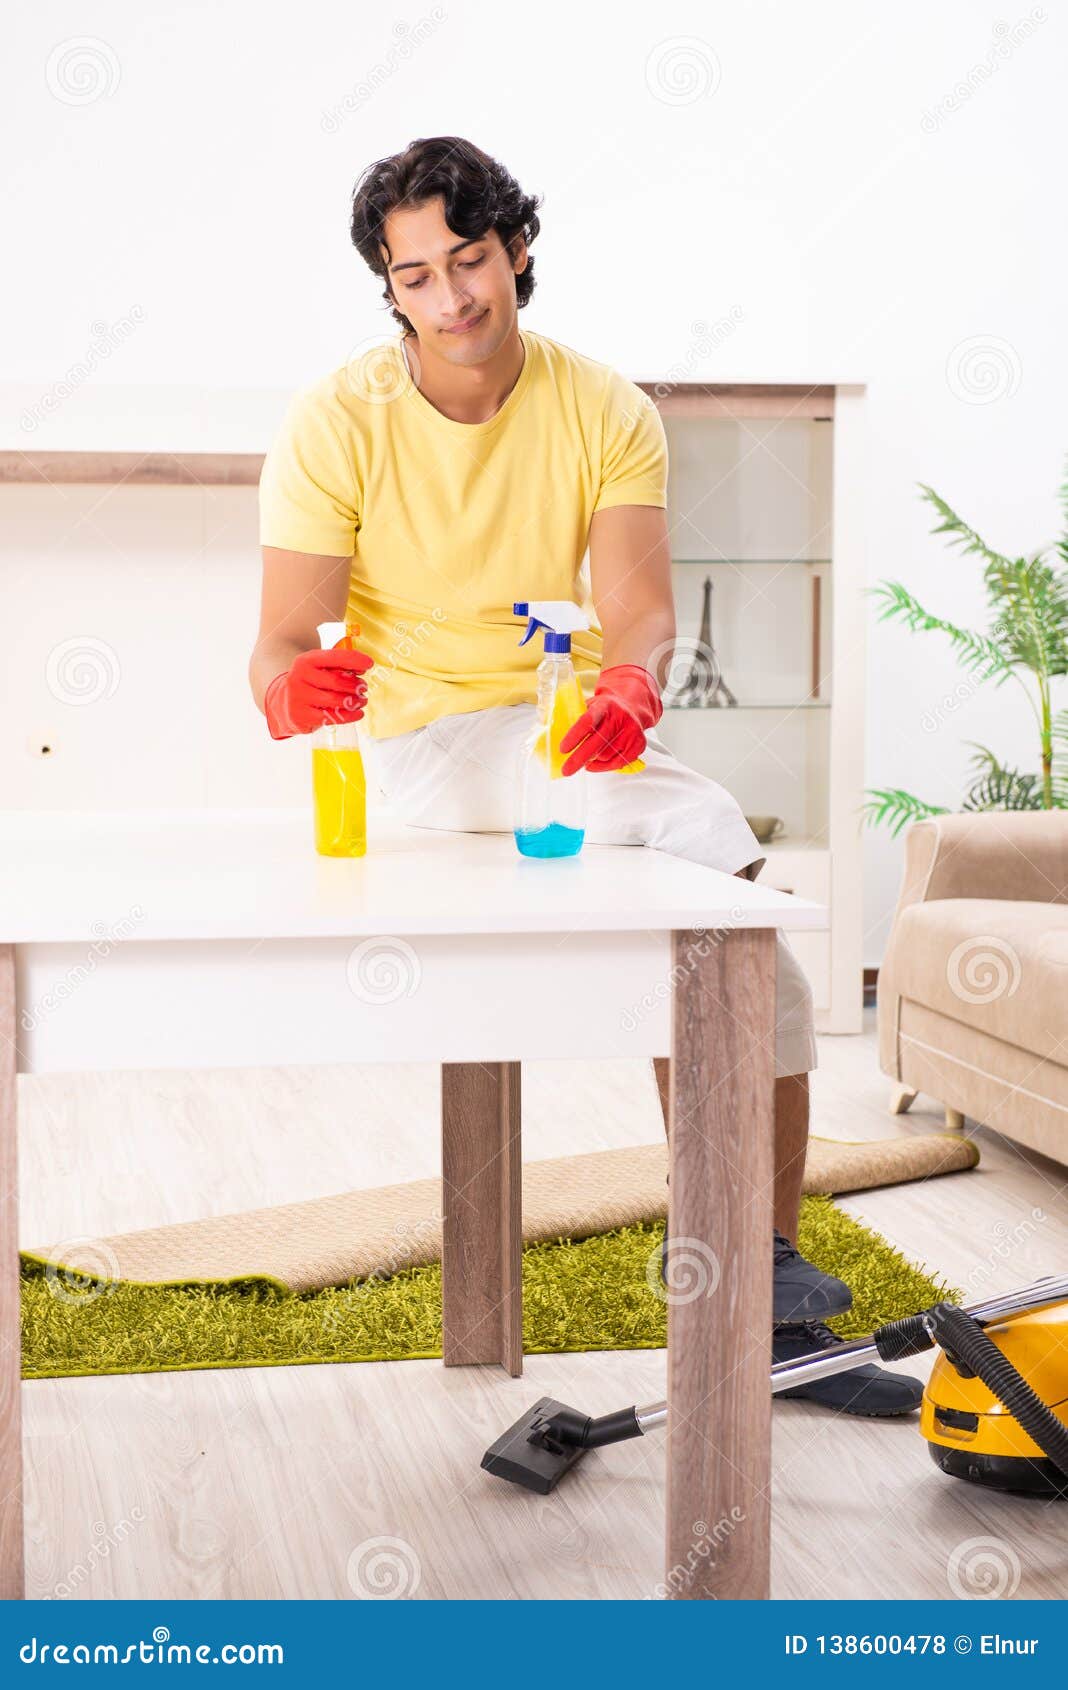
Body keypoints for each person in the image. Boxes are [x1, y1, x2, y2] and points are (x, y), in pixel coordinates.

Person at [250, 134, 919, 1416]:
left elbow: (640, 608)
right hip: (424, 748)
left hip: (564, 738)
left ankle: (757, 1289)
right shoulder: (338, 418)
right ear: (387, 291)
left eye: (471, 261)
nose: (452, 300)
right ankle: (752, 1282)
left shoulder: (605, 406)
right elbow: (282, 639)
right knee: (715, 828)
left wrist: (628, 680)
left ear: (515, 252)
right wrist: (288, 685)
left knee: (755, 971)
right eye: (416, 276)